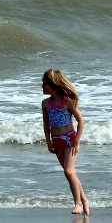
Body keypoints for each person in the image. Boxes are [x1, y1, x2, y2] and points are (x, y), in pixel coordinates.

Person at [40, 69, 89, 215]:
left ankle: (78, 204)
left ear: (53, 84)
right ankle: (85, 200)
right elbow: (46, 124)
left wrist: (76, 141)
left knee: (68, 171)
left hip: (69, 139)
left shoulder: (67, 101)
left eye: (44, 84)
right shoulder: (45, 104)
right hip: (56, 141)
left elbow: (81, 120)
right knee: (70, 173)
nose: (42, 87)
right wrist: (48, 141)